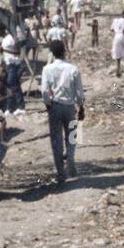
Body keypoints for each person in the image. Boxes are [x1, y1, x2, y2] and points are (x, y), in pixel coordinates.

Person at [40, 39, 84, 184]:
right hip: (70, 106)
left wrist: (48, 104)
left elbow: (45, 91)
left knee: (56, 140)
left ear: (52, 53)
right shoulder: (73, 69)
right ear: (64, 51)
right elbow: (79, 92)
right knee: (71, 135)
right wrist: (81, 106)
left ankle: (61, 173)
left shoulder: (47, 69)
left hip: (55, 106)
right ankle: (70, 156)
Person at [0, 36, 28, 115]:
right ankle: (10, 107)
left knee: (13, 85)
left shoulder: (12, 38)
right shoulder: (4, 39)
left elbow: (17, 51)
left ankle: (21, 107)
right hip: (8, 64)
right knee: (10, 86)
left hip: (13, 64)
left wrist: (4, 50)